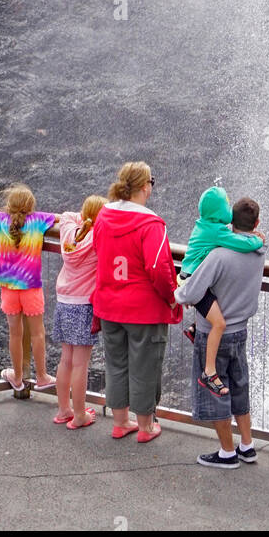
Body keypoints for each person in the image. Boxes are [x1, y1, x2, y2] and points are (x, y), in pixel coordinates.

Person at [91, 162, 181, 444]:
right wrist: (172, 297)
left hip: (109, 304)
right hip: (142, 310)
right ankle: (145, 427)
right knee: (145, 367)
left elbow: (97, 250)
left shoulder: (104, 216)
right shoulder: (150, 224)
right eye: (151, 181)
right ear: (145, 187)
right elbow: (159, 268)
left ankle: (120, 422)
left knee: (116, 363)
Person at [176, 196, 266, 470]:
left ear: (229, 221)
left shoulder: (218, 255)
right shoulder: (258, 250)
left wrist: (178, 290)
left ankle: (227, 452)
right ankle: (247, 446)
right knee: (240, 387)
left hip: (212, 333)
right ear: (256, 223)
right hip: (240, 332)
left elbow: (190, 293)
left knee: (216, 391)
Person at [0, 186, 58, 393]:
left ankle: (18, 378)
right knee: (38, 333)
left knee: (15, 334)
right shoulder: (38, 220)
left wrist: (0, 213)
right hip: (31, 287)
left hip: (9, 288)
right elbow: (60, 218)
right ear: (30, 207)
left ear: (8, 205)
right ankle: (42, 376)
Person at [53, 194, 106, 430]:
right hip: (84, 305)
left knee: (66, 359)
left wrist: (85, 215)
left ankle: (64, 409)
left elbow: (67, 215)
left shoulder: (67, 228)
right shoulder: (99, 236)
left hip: (63, 301)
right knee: (80, 364)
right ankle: (79, 415)